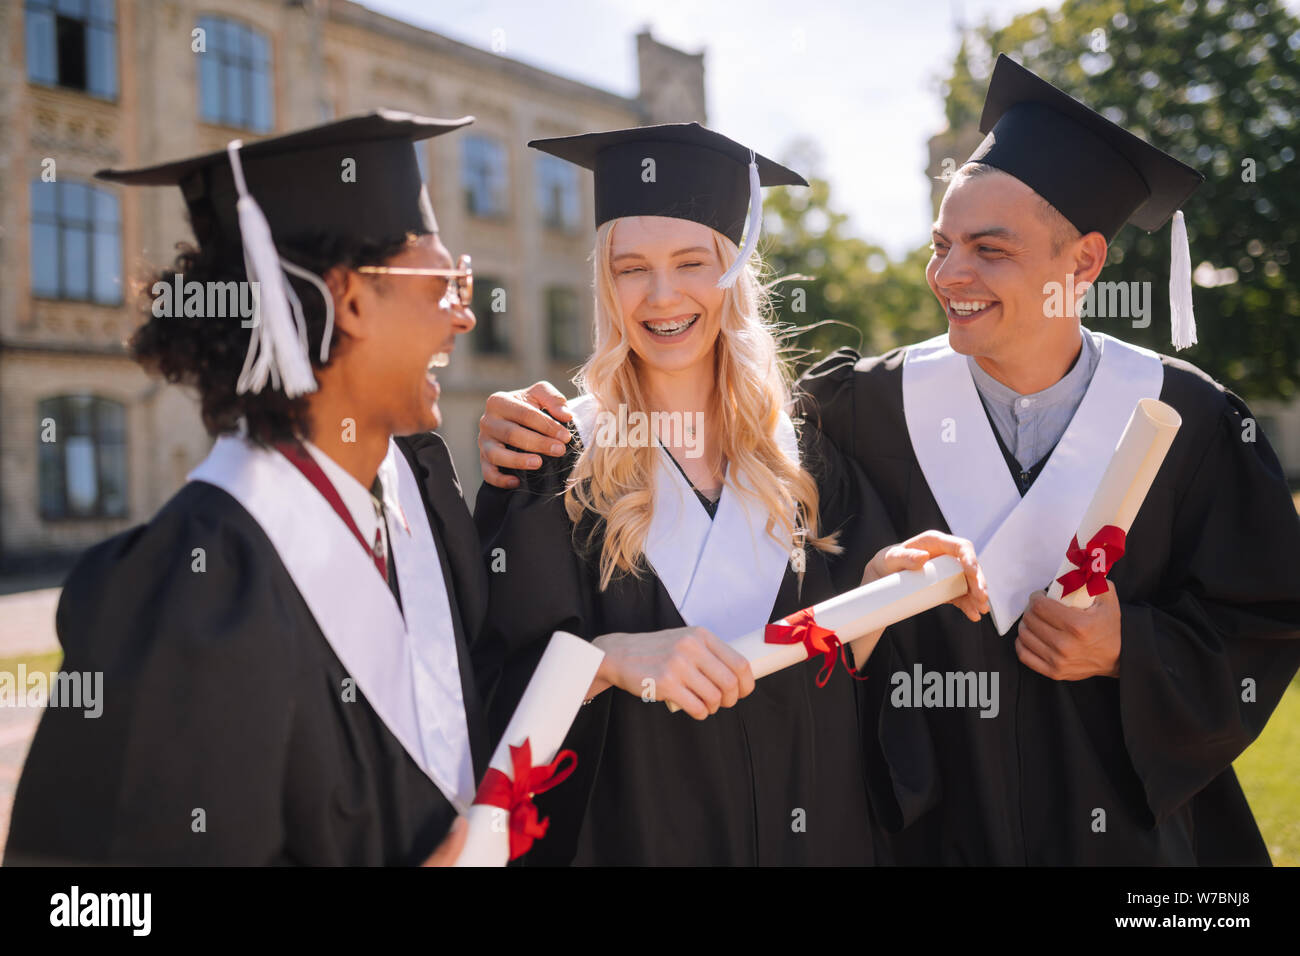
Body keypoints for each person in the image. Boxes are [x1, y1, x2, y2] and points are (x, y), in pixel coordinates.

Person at [478, 58, 1300, 865]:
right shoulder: (864, 409)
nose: (949, 275)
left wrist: (1134, 647)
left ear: (1083, 263)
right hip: (927, 839)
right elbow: (501, 681)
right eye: (942, 244)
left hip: (1131, 849)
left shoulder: (1185, 419)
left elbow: (1264, 617)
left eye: (990, 249)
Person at [472, 123, 988, 866]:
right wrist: (609, 658)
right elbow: (493, 690)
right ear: (604, 284)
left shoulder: (804, 459)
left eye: (691, 262)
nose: (661, 295)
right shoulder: (555, 464)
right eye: (630, 268)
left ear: (733, 273)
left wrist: (883, 591)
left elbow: (842, 675)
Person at [6, 111, 490, 866]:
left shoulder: (415, 500)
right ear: (351, 300)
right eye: (446, 278)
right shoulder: (190, 592)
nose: (465, 310)